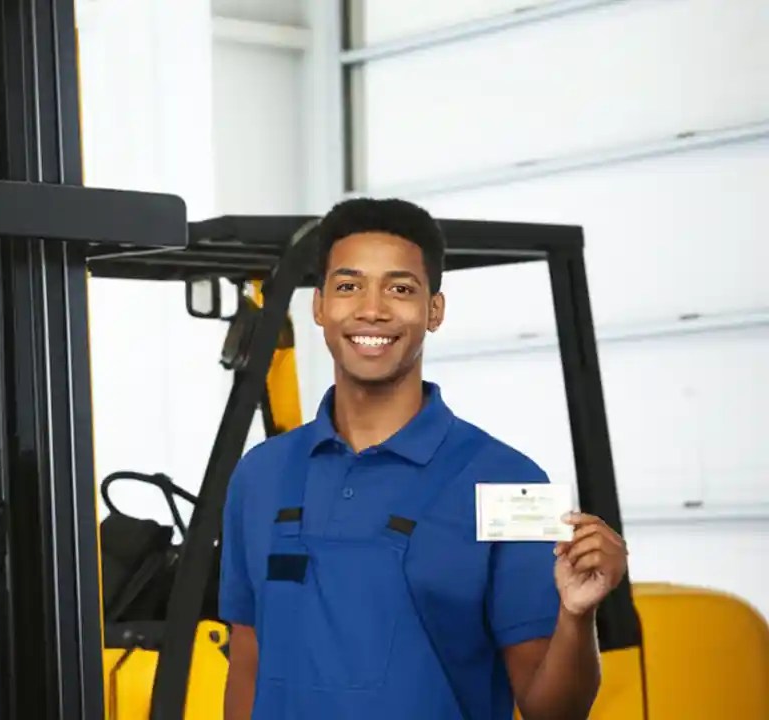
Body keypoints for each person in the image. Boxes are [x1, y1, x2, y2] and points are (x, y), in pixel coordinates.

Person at [218, 198, 628, 719]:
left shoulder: (511, 483)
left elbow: (554, 712)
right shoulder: (260, 475)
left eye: (400, 289)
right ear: (320, 306)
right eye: (348, 286)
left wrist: (576, 615)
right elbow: (247, 665)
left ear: (434, 309)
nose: (372, 308)